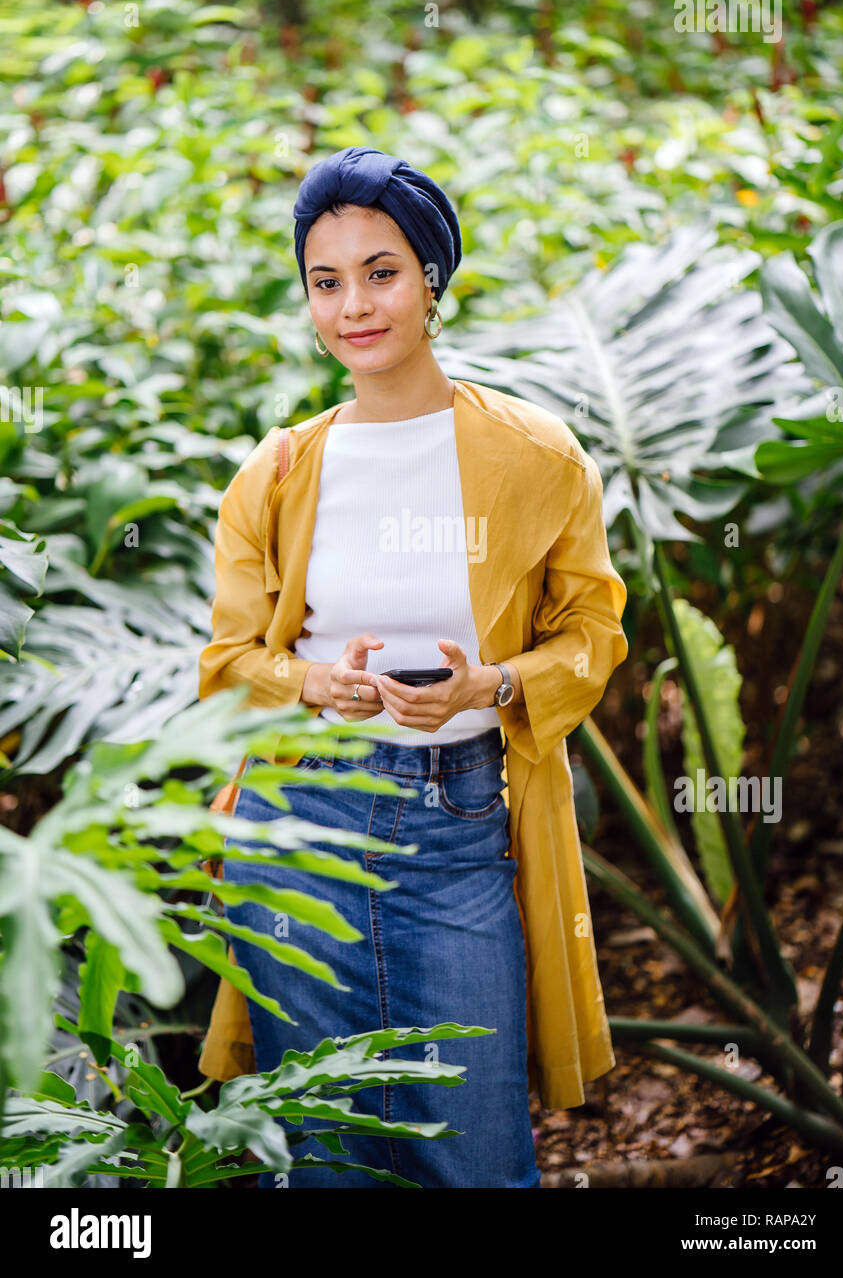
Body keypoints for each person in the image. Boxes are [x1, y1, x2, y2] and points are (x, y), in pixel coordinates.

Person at [198, 145, 629, 1188]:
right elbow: (226, 660)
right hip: (298, 828)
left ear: (431, 281)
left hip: (461, 825)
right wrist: (311, 683)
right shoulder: (282, 467)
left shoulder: (533, 456)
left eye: (381, 272)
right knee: (323, 1158)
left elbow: (592, 632)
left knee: (478, 1158)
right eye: (325, 279)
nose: (353, 305)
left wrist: (494, 684)